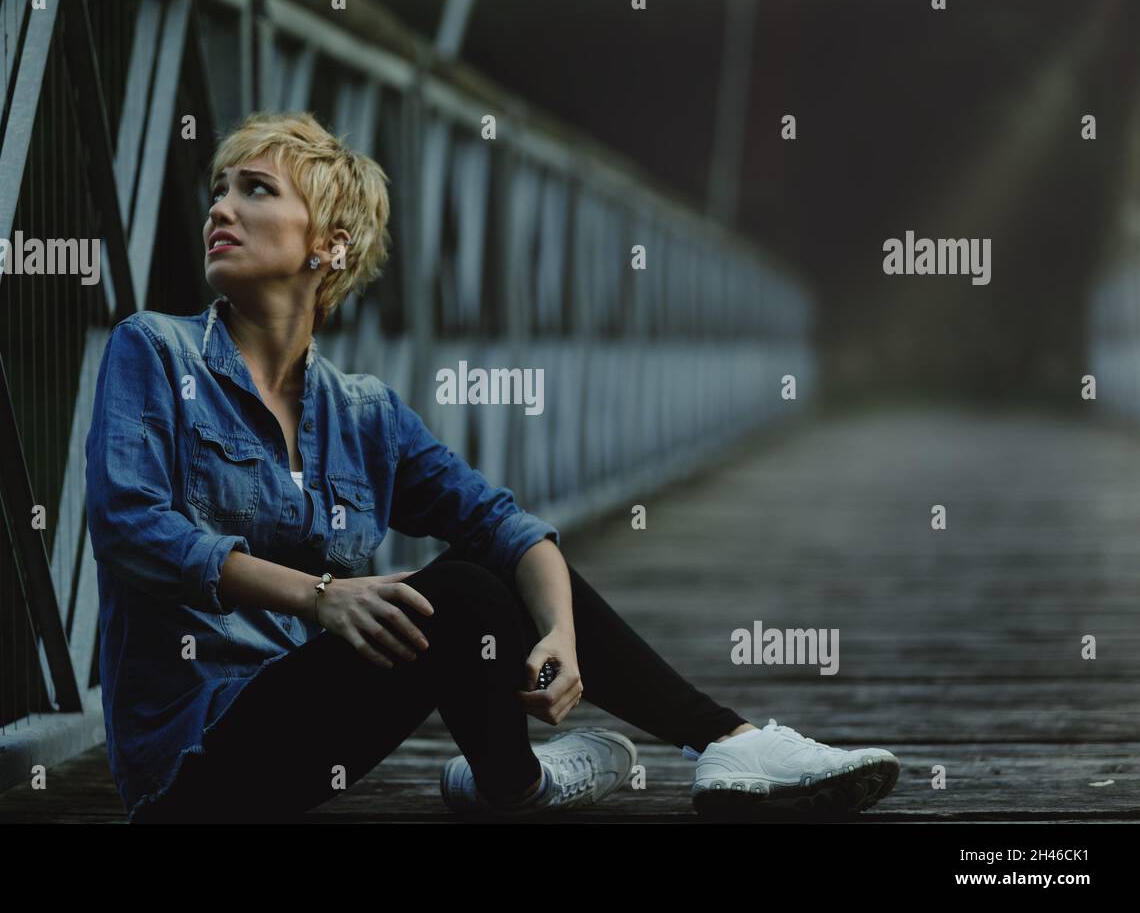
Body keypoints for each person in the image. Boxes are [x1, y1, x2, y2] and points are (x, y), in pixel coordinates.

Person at [84, 111, 901, 823]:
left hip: (303, 740)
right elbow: (130, 527)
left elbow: (502, 524)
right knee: (467, 591)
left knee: (493, 567)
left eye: (255, 190)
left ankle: (724, 741)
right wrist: (320, 597)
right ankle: (522, 783)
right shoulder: (153, 349)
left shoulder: (362, 411)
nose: (220, 209)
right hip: (192, 767)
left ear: (330, 246)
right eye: (218, 191)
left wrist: (562, 636)